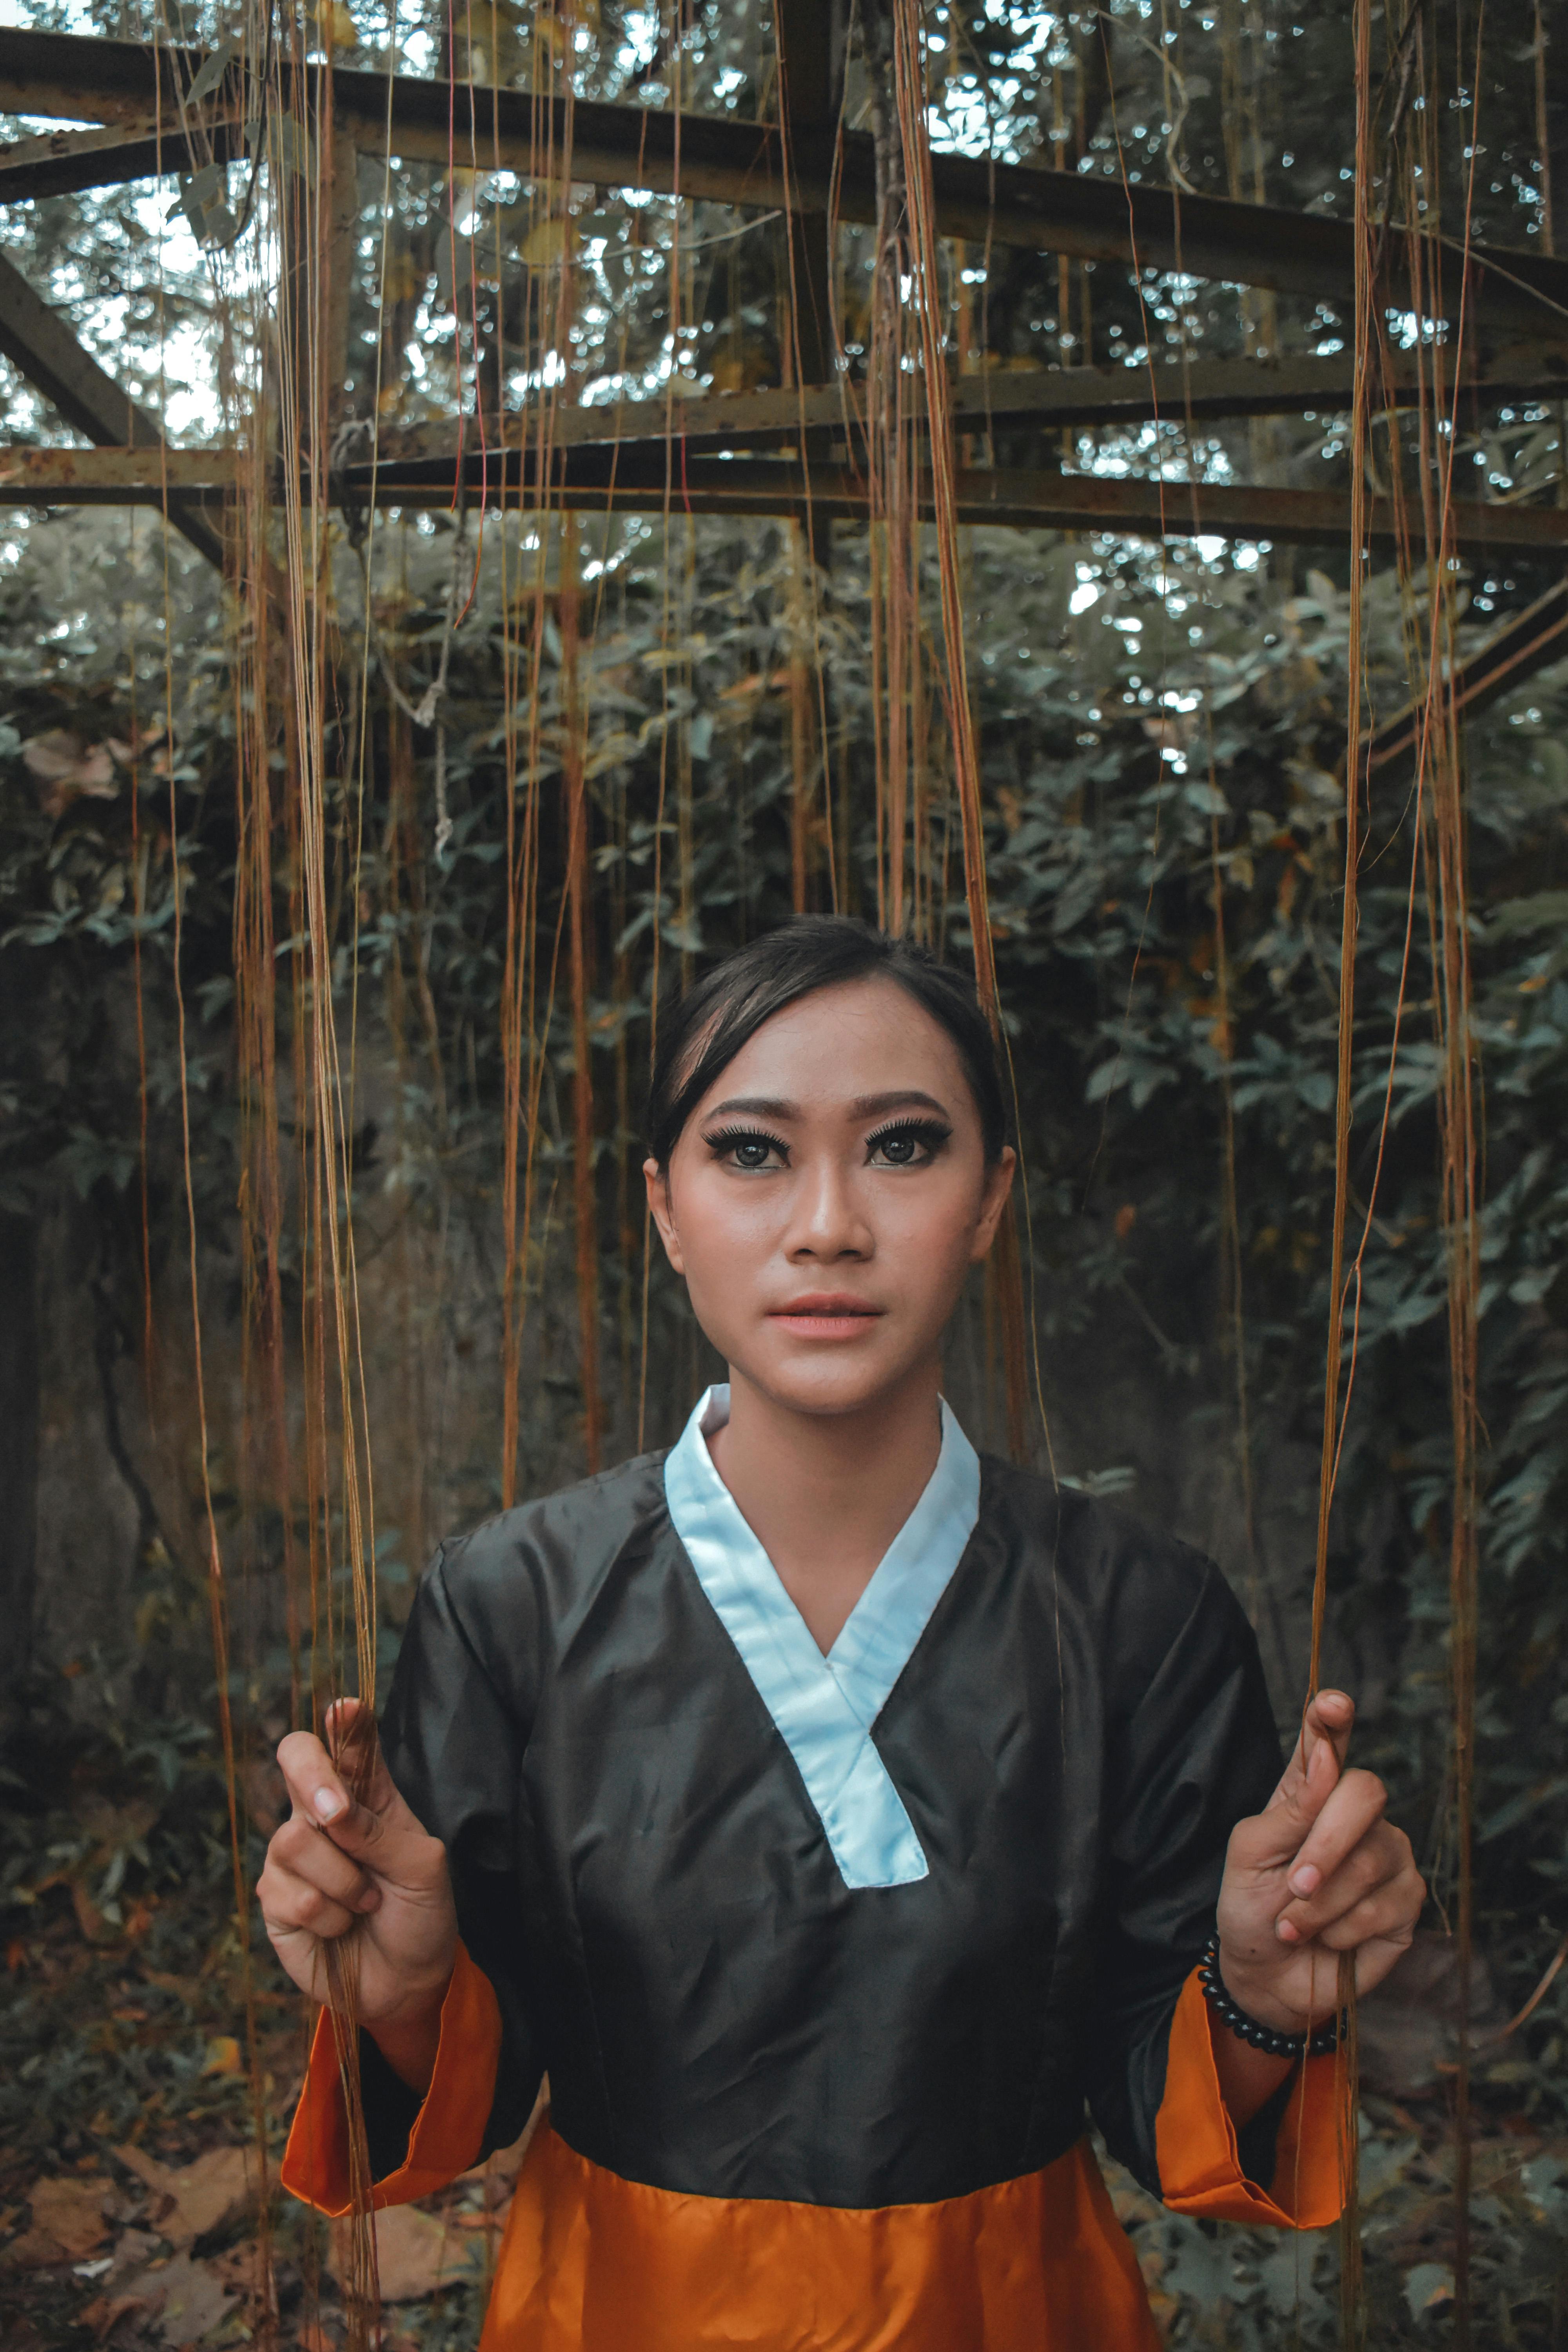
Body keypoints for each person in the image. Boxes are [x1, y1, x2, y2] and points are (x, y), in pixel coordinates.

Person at [258, 915, 1425, 2351]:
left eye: (903, 1145)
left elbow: (1162, 2107)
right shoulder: (509, 1605)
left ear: (991, 1197)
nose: (827, 1223)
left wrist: (1254, 2000)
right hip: (615, 2315)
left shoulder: (1141, 1617)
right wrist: (401, 1997)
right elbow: (464, 2103)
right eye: (752, 1150)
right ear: (666, 1208)